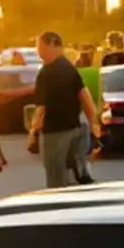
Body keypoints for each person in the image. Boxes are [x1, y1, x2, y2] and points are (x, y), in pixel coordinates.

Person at [31, 31, 100, 189]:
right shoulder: (69, 68)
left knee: (55, 176)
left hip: (54, 133)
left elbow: (41, 108)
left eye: (41, 47)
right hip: (74, 129)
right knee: (71, 173)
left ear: (54, 44)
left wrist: (33, 131)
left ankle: (59, 208)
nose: (39, 52)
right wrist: (93, 123)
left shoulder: (45, 73)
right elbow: (85, 96)